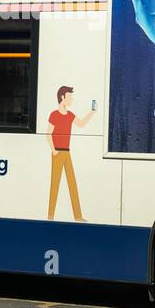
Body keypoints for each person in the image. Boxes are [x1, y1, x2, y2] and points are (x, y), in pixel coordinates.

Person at [46, 86, 94, 221]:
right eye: (69, 96)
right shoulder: (54, 115)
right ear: (62, 97)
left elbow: (82, 124)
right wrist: (54, 150)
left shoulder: (70, 115)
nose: (71, 99)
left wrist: (92, 112)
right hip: (58, 153)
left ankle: (78, 216)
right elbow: (48, 134)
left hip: (67, 153)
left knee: (72, 183)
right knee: (54, 184)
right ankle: (50, 216)